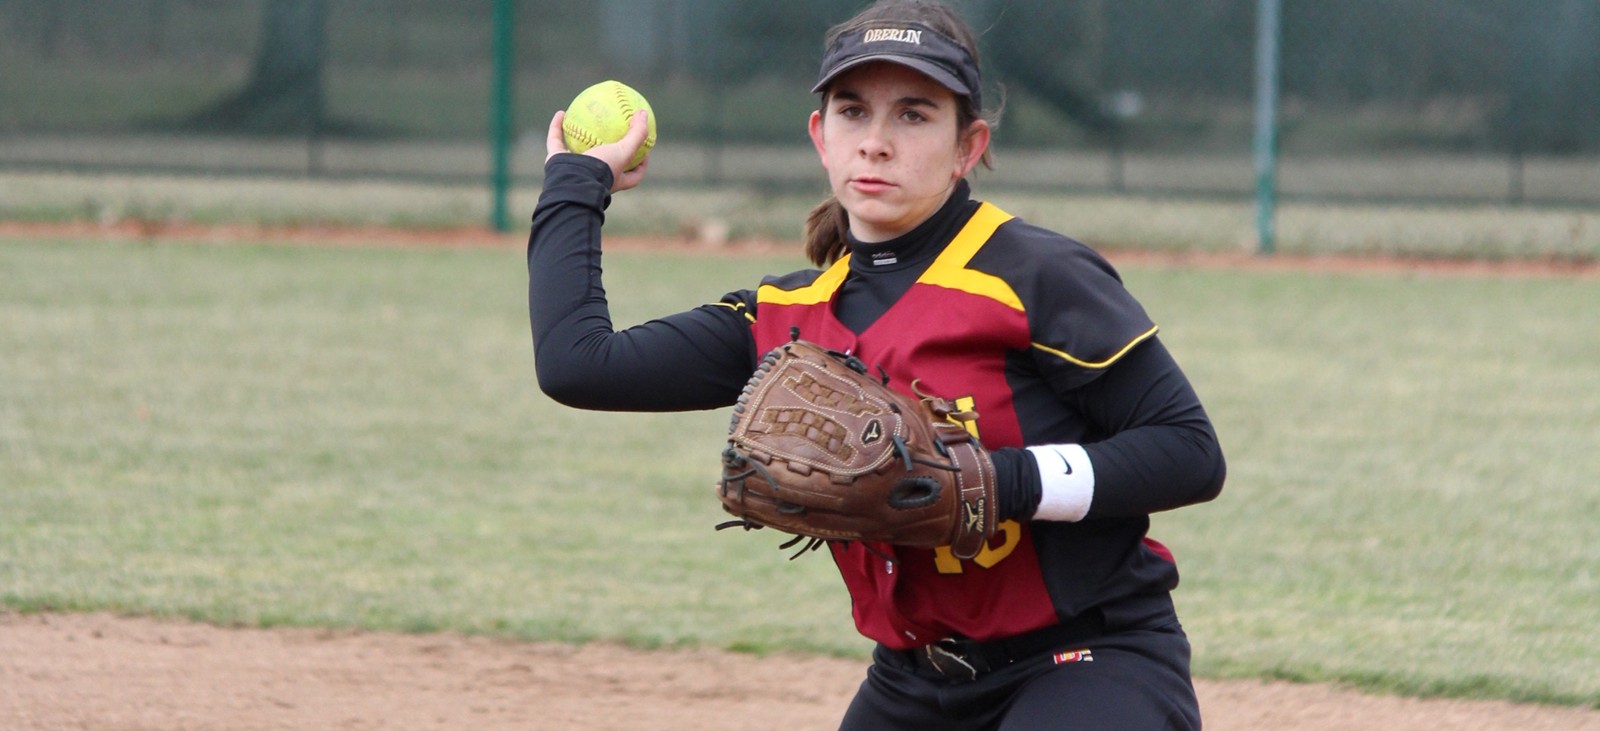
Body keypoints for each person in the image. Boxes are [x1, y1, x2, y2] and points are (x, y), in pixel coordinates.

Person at [527, 1, 1225, 727]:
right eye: (853, 112)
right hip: (912, 683)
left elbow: (1188, 451)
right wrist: (576, 185)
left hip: (1087, 659)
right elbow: (579, 365)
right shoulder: (784, 318)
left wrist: (1002, 480)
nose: (876, 143)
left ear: (968, 144)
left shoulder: (1035, 275)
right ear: (819, 138)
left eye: (915, 115)